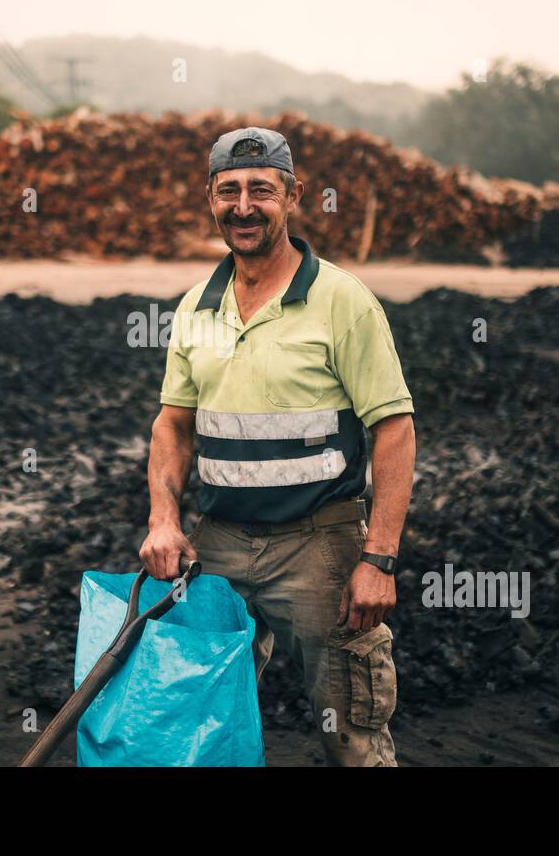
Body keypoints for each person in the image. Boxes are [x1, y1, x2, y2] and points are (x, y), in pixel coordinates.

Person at [139, 126, 417, 766]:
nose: (243, 206)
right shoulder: (195, 308)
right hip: (217, 545)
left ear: (292, 197)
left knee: (352, 732)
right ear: (209, 199)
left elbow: (393, 428)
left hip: (320, 547)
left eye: (260, 190)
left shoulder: (341, 301)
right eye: (228, 190)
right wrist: (163, 518)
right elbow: (173, 425)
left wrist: (378, 559)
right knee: (197, 723)